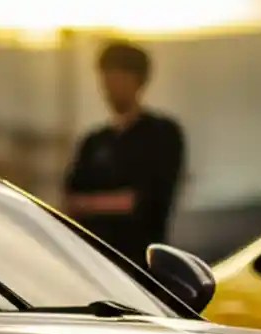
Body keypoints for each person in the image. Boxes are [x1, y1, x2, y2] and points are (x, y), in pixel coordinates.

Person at [64, 40, 185, 267]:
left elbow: (147, 201)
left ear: (138, 81)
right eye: (106, 78)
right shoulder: (94, 141)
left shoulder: (161, 134)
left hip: (141, 266)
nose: (110, 87)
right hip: (93, 263)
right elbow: (71, 200)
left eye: (118, 78)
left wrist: (91, 203)